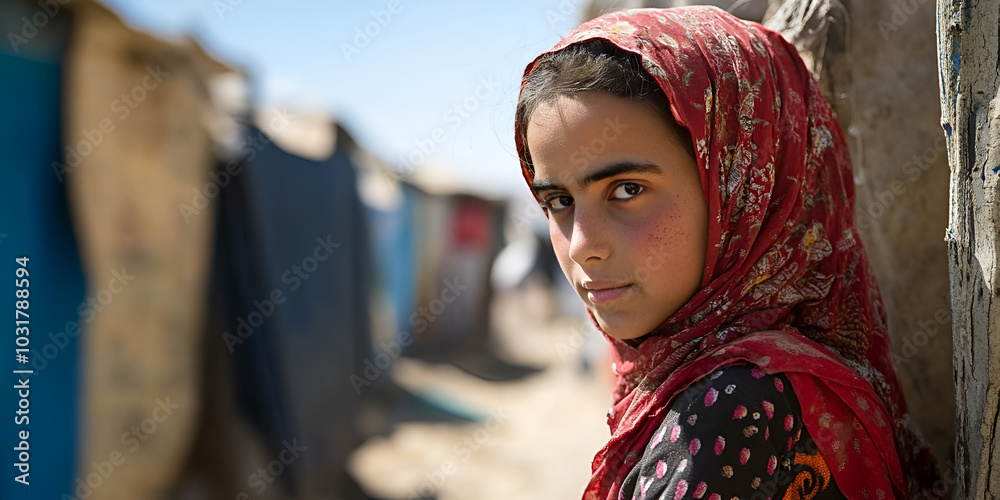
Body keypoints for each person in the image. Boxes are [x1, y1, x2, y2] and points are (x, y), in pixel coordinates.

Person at [513, 7, 943, 500]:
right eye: (559, 202)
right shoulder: (789, 383)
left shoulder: (729, 411)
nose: (583, 246)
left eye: (627, 189)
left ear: (740, 189)